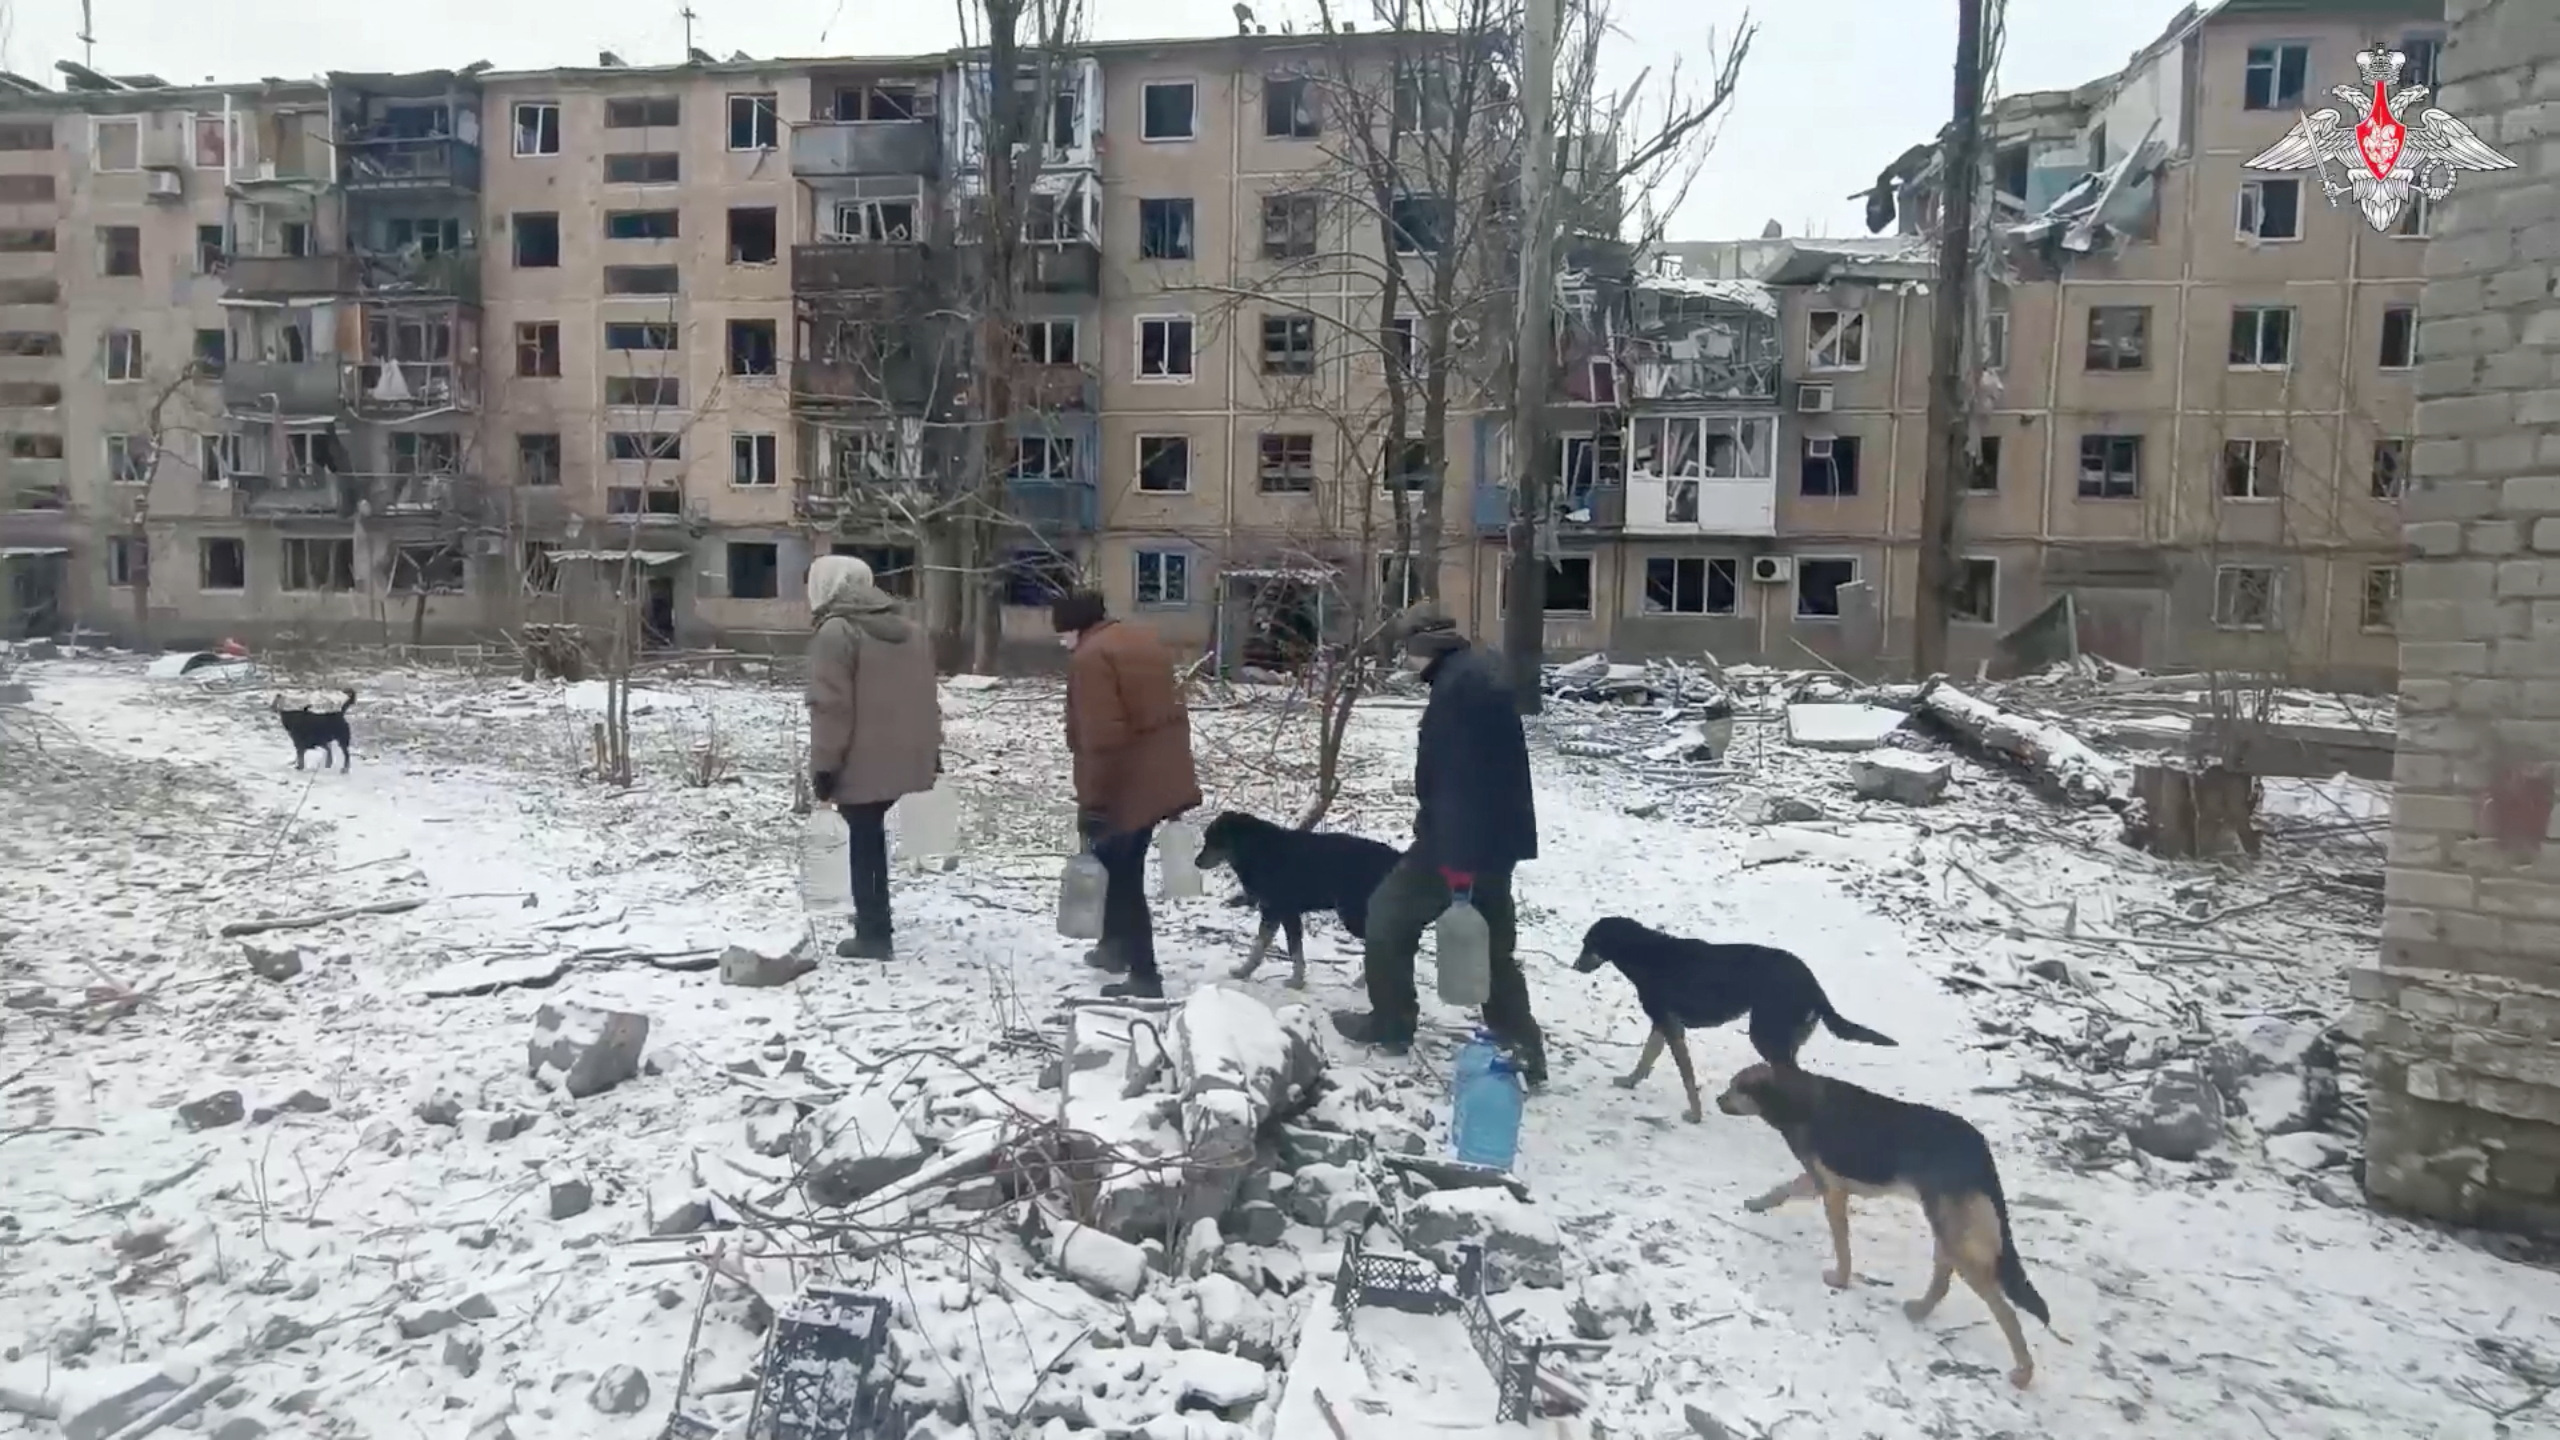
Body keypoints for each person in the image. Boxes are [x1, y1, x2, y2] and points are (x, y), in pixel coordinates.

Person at [1333, 606, 1547, 1084]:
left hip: (1458, 843)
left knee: (1387, 916)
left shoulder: (1459, 691)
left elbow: (1460, 782)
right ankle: (1522, 1043)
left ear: (1426, 646)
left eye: (1406, 650)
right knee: (1492, 947)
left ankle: (1390, 1023)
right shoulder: (1473, 674)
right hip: (1491, 839)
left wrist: (1456, 861)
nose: (1403, 660)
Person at [1055, 588, 1201, 999]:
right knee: (1118, 863)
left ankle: (1144, 974)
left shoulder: (1090, 659)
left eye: (1061, 633)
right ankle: (1114, 947)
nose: (1061, 642)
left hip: (1125, 782)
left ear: (1074, 628)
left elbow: (1100, 737)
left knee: (1122, 876)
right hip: (1160, 772)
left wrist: (1095, 802)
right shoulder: (1140, 641)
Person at [805, 554, 941, 959]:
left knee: (863, 839)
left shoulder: (836, 632)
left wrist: (825, 765)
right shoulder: (911, 630)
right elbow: (926, 696)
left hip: (858, 759)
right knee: (870, 835)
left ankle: (874, 934)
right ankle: (873, 922)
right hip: (905, 755)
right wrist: (931, 751)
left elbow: (831, 706)